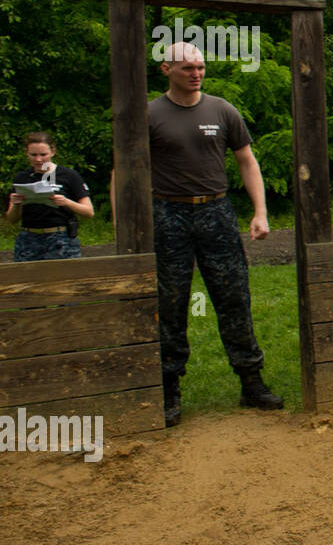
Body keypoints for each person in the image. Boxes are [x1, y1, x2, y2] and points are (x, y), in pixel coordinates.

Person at [117, 42, 281, 427]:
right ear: (166, 70)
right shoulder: (148, 114)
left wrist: (260, 212)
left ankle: (251, 382)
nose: (196, 73)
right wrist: (126, 224)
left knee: (234, 297)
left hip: (217, 213)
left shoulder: (222, 110)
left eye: (201, 67)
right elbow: (124, 169)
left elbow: (246, 161)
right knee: (171, 304)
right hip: (167, 214)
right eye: (188, 67)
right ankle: (169, 389)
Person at [5, 132, 94, 261]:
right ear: (26, 153)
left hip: (60, 239)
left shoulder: (68, 175)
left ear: (52, 151)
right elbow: (12, 219)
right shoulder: (22, 178)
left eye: (43, 155)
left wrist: (66, 202)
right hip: (28, 239)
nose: (38, 159)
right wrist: (16, 203)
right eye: (33, 155)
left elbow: (89, 212)